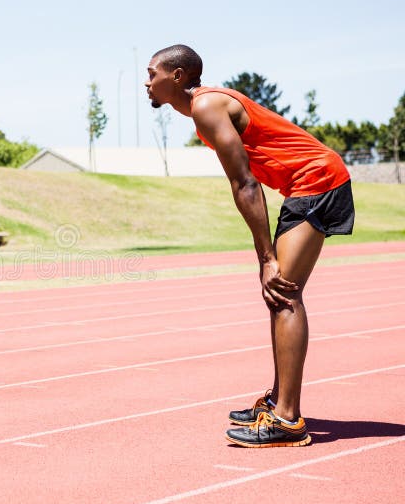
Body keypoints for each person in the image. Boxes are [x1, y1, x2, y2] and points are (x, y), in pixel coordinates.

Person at [145, 44, 354, 447]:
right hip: (305, 185)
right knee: (278, 296)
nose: (146, 81)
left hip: (319, 182)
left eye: (152, 73)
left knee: (283, 294)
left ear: (178, 76)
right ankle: (278, 402)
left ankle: (288, 420)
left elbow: (245, 183)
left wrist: (267, 259)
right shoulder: (205, 109)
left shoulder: (207, 107)